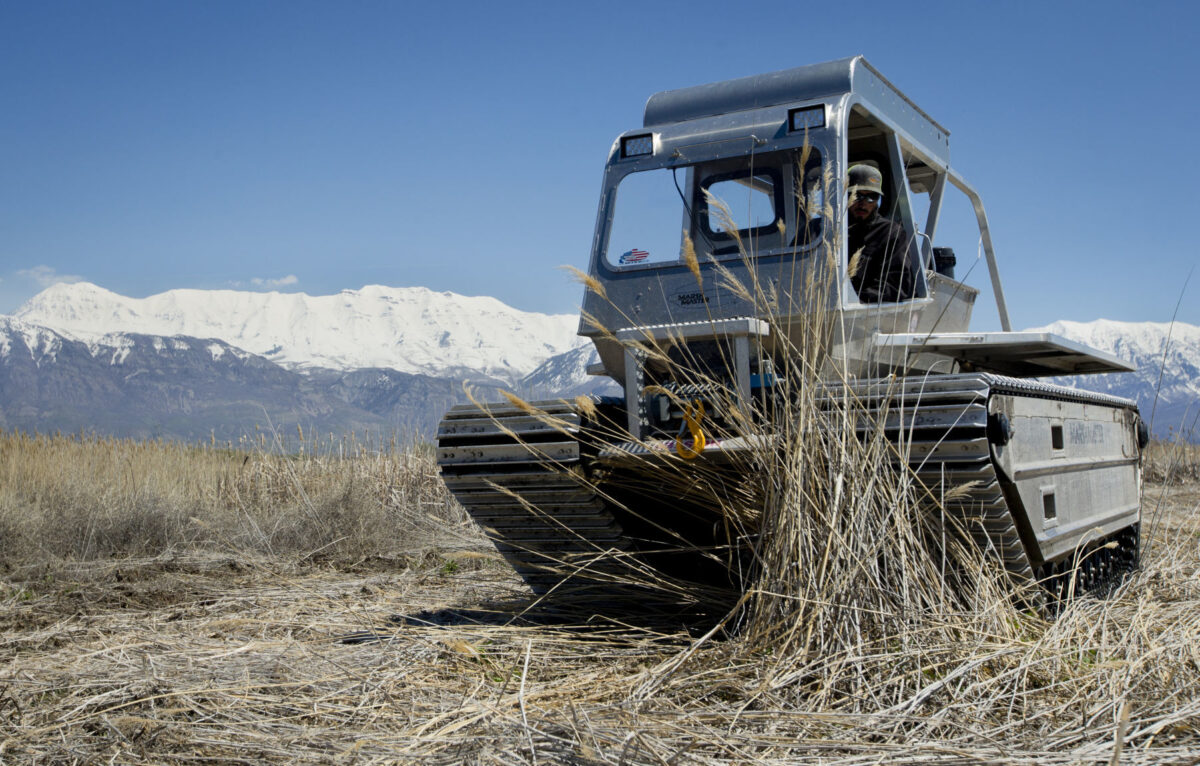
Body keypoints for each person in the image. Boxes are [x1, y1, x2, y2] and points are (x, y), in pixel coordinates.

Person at [846, 164, 914, 302]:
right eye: (857, 195)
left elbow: (896, 286)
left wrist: (854, 301)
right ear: (846, 195)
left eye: (872, 197)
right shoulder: (821, 230)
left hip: (863, 316)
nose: (863, 204)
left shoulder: (892, 234)